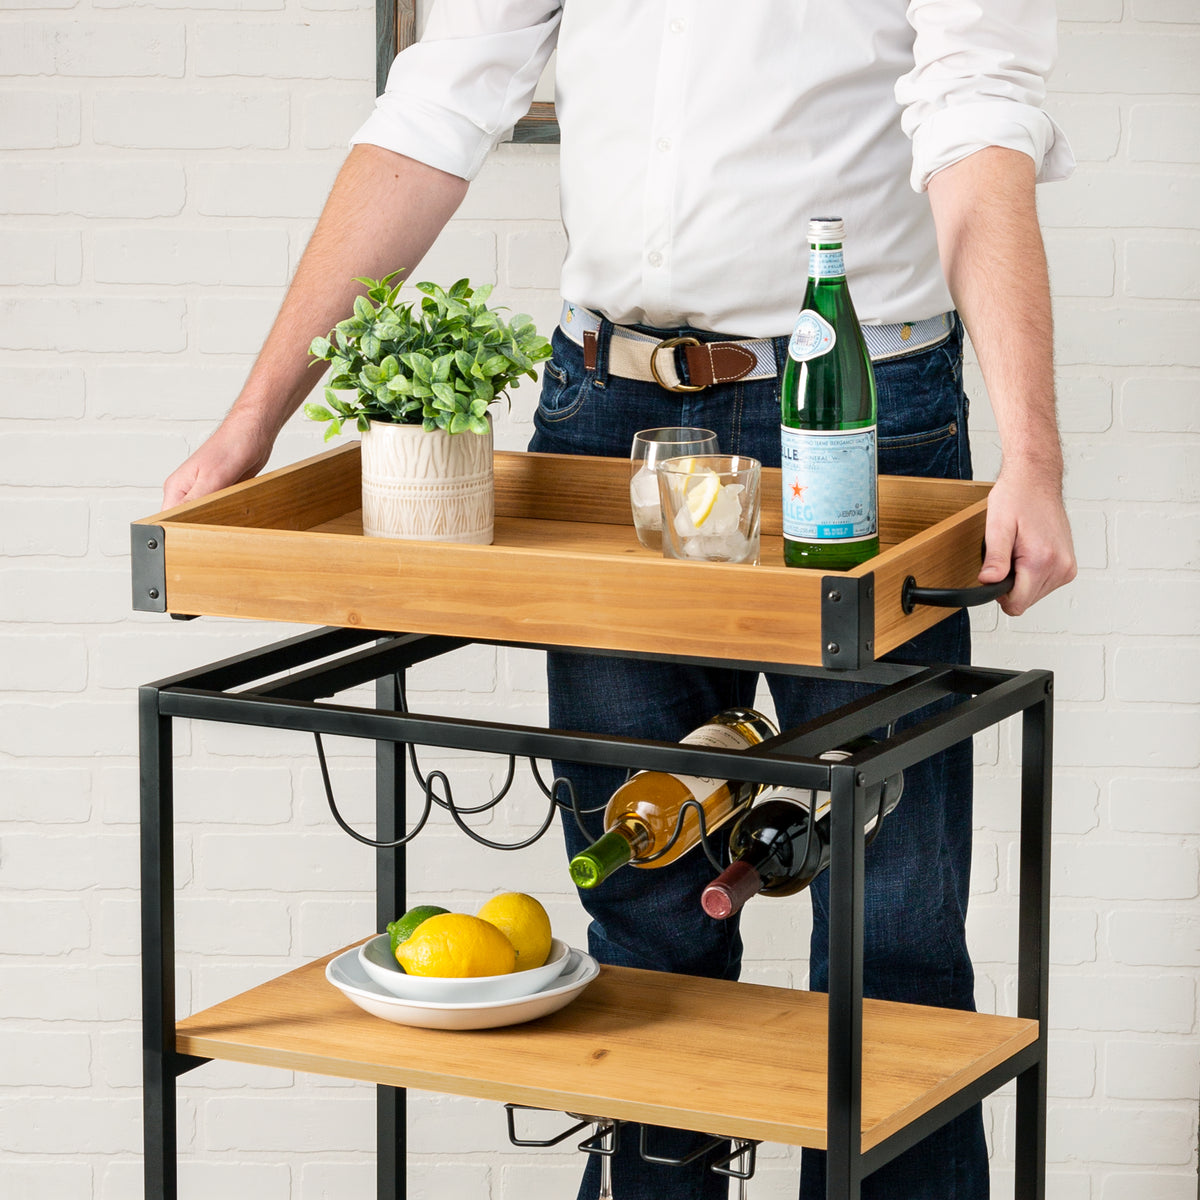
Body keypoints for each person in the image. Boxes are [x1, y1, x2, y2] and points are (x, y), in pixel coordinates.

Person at [163, 4, 1078, 1197]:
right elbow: (441, 101)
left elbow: (976, 116)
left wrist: (1036, 457)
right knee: (647, 923)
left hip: (858, 408)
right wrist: (253, 421)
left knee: (891, 936)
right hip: (604, 417)